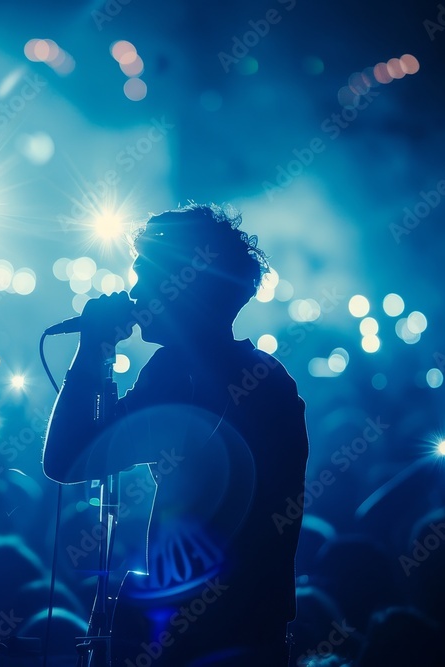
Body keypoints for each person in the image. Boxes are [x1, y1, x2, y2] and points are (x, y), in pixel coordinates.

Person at [42, 203, 309, 666]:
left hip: (192, 640)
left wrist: (92, 351)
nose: (134, 289)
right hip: (253, 636)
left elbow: (67, 458)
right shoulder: (271, 378)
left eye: (145, 273)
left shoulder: (180, 373)